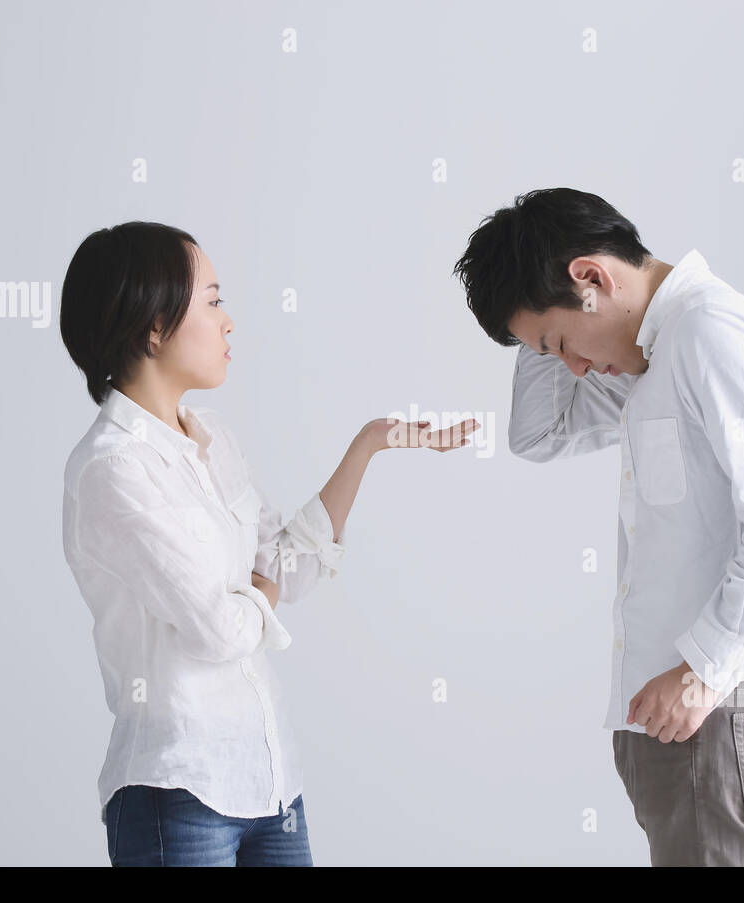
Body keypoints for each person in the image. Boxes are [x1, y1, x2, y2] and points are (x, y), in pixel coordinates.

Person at [59, 221, 477, 866]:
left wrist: (369, 444)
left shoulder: (212, 438)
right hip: (177, 791)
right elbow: (218, 630)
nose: (229, 323)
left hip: (270, 782)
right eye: (214, 300)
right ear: (151, 325)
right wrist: (257, 592)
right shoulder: (113, 468)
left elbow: (286, 569)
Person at [453, 188, 744, 866]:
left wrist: (700, 670)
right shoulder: (653, 357)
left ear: (593, 279)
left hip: (718, 708)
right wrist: (532, 318)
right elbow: (540, 433)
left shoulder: (709, 334)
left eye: (560, 343)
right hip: (695, 716)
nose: (570, 366)